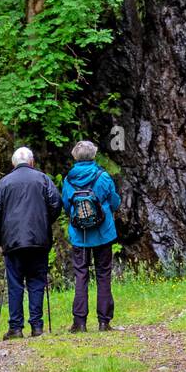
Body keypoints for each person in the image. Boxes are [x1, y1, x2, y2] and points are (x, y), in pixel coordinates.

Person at [0, 146, 62, 339]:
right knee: (37, 282)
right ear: (31, 162)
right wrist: (44, 222)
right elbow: (56, 204)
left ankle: (16, 328)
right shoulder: (43, 179)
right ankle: (37, 327)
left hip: (12, 242)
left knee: (15, 283)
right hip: (39, 240)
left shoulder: (4, 183)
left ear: (14, 163)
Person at [61, 140, 121, 333]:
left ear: (75, 157)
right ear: (94, 155)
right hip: (103, 234)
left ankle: (79, 323)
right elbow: (114, 202)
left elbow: (67, 207)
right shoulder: (103, 177)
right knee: (103, 275)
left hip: (80, 235)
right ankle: (104, 322)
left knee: (81, 275)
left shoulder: (69, 180)